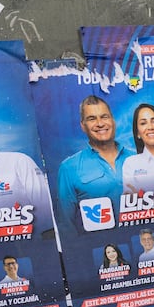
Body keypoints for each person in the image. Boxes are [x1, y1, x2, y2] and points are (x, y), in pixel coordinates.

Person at [57, 96, 133, 230]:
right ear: (83, 126)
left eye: (104, 117)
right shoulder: (69, 168)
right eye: (92, 119)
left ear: (113, 121)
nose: (100, 123)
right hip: (100, 247)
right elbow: (66, 225)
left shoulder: (137, 158)